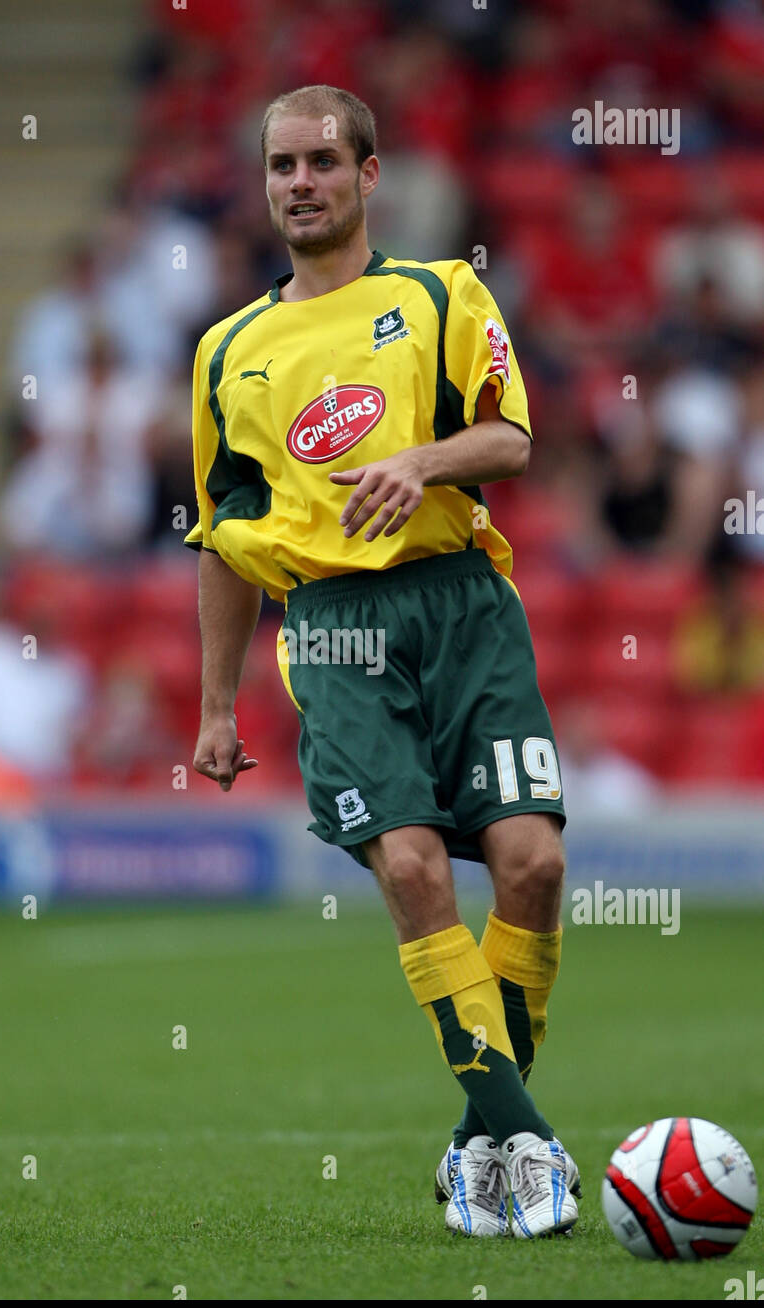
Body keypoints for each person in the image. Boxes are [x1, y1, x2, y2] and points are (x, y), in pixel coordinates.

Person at [188, 85, 579, 1239]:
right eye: (278, 165)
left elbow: (509, 437)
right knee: (411, 870)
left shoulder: (439, 293)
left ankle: (478, 1139)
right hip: (330, 627)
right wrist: (216, 704)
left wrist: (421, 459)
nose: (297, 182)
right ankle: (525, 1143)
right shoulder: (226, 352)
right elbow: (222, 533)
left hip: (462, 603)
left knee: (533, 865)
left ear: (368, 176)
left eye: (319, 160)